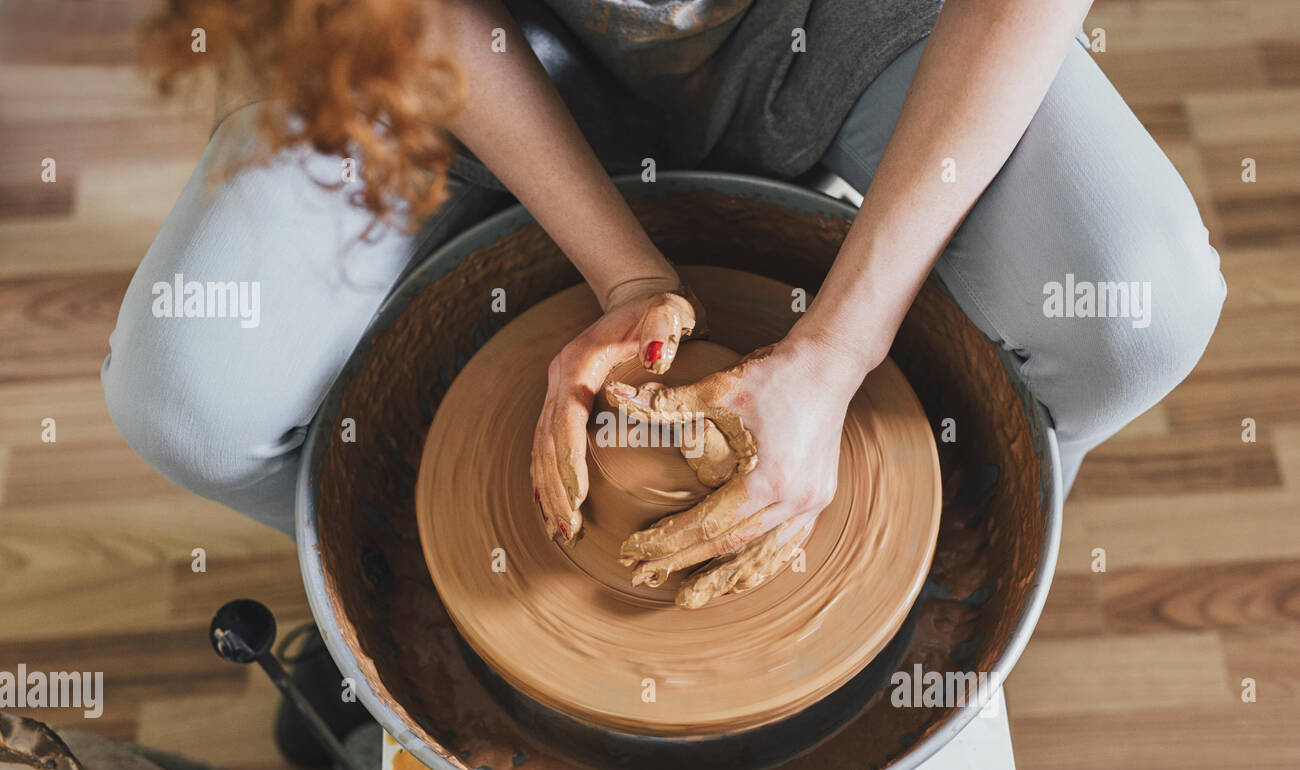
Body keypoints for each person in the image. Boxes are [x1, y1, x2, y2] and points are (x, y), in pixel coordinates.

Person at [107, 0, 1224, 608]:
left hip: (842, 25)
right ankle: (421, 595)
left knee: (1133, 311)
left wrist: (839, 348)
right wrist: (626, 274)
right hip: (496, 41)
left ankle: (930, 582)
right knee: (192, 398)